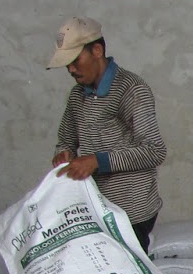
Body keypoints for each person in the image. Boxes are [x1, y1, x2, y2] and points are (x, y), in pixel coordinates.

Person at [46, 16, 166, 251]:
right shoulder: (77, 95)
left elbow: (154, 151)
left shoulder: (131, 90)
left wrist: (96, 161)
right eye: (67, 64)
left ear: (97, 51)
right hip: (96, 207)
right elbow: (66, 140)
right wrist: (64, 154)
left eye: (75, 60)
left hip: (131, 211)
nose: (71, 69)